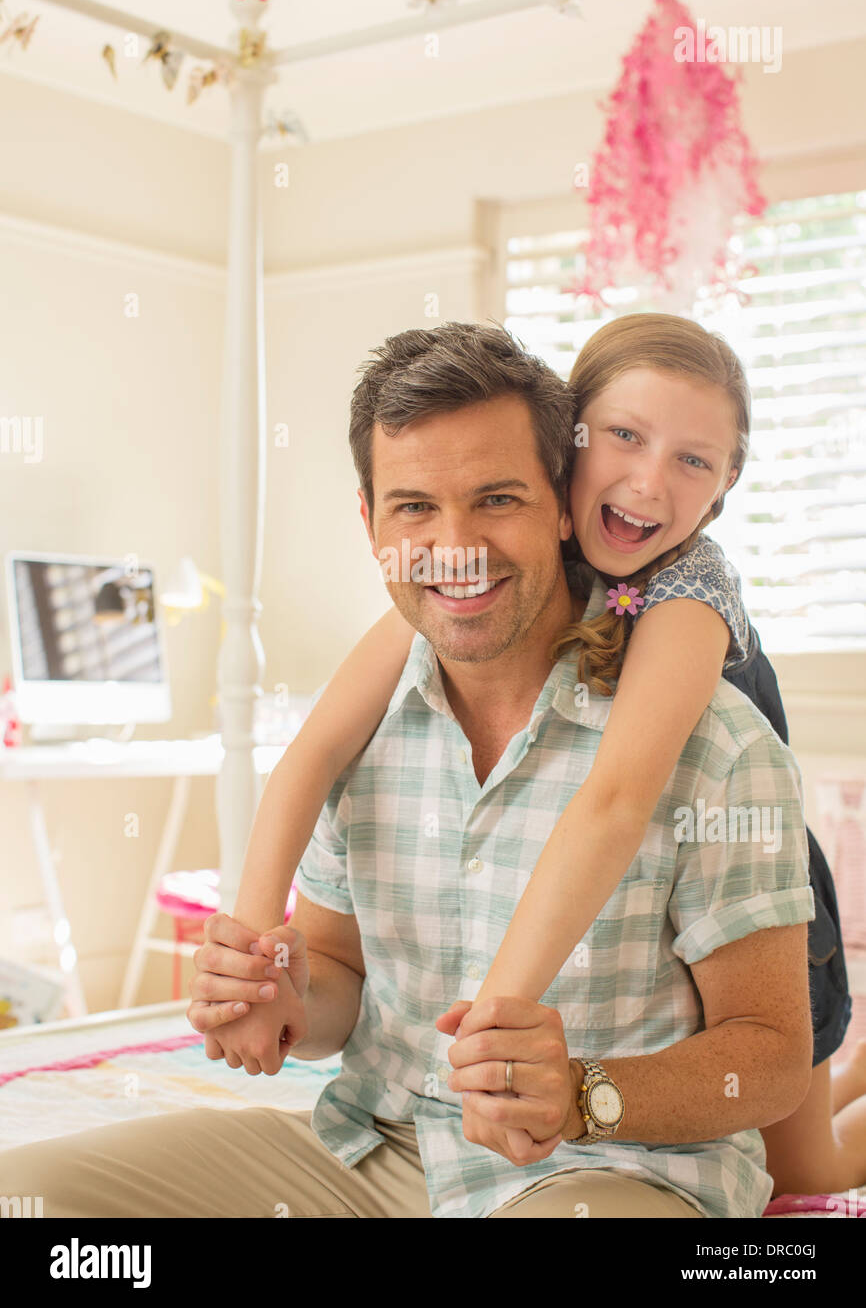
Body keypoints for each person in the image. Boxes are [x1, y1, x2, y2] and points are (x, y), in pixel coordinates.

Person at [200, 313, 864, 1195]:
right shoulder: (419, 641)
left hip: (756, 864)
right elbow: (310, 756)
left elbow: (619, 795)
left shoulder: (686, 611)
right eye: (624, 438)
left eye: (498, 497)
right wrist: (253, 959)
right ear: (577, 457)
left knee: (806, 1167)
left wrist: (506, 1037)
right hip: (393, 1146)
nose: (647, 482)